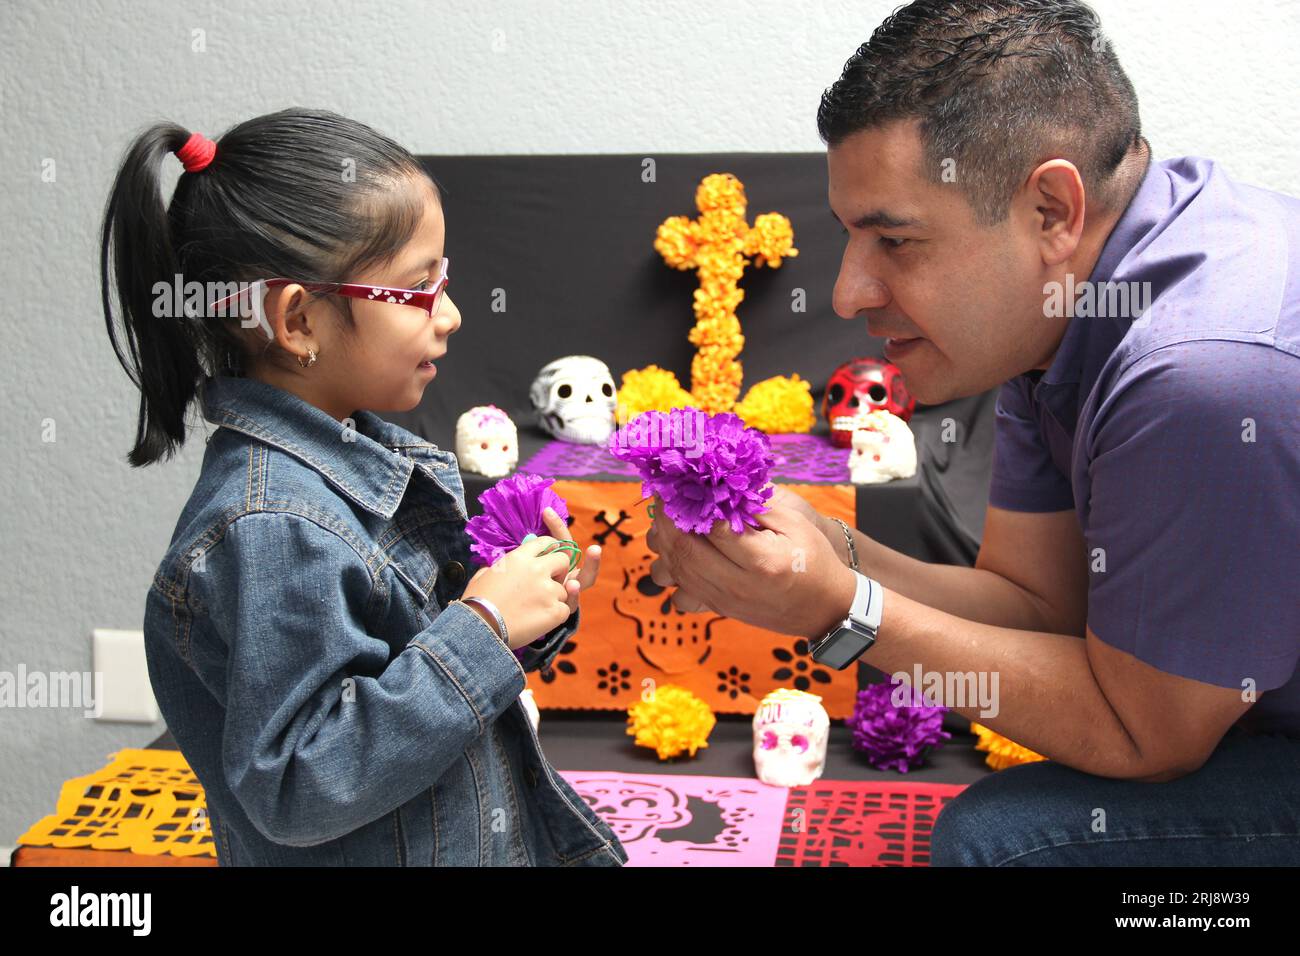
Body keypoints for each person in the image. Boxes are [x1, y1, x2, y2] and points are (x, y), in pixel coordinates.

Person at [648, 0, 1300, 865]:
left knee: (1001, 846)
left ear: (1051, 212)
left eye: (896, 240)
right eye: (851, 236)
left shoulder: (1202, 377)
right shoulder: (1060, 310)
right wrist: (831, 548)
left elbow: (1148, 735)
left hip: (1202, 723)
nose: (848, 293)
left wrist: (844, 613)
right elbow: (1040, 608)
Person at [100, 107, 625, 866]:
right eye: (420, 289)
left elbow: (413, 680)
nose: (451, 314)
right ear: (298, 320)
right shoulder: (274, 523)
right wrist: (483, 627)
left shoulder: (363, 471)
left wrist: (525, 609)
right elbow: (301, 784)